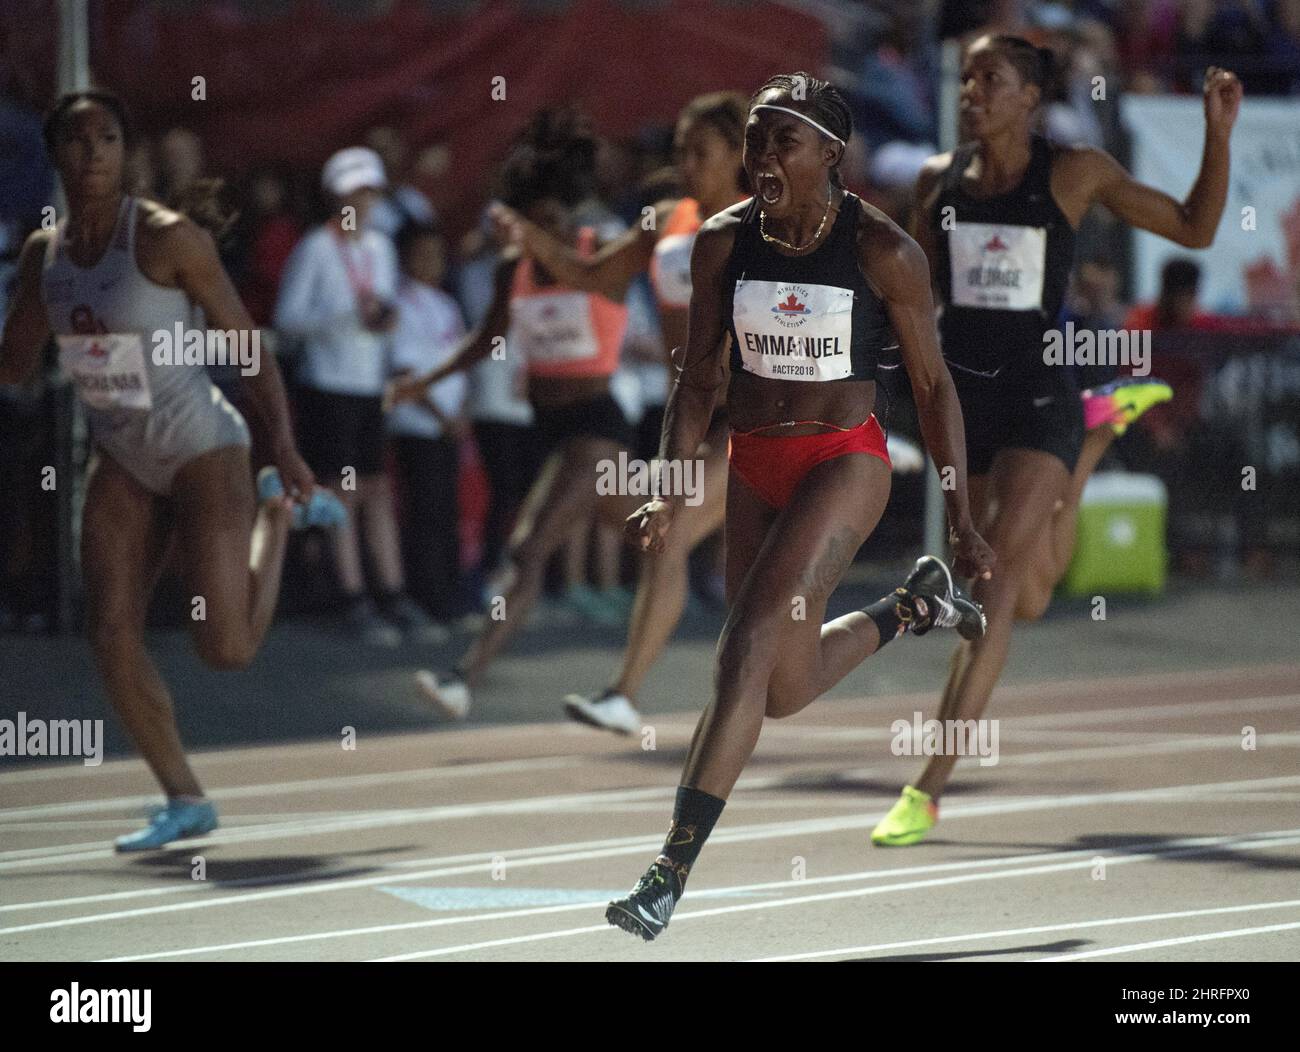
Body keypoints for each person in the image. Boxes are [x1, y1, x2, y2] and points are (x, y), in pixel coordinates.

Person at [605, 72, 994, 941]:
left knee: (741, 649)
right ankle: (914, 607)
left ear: (830, 153)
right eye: (754, 139)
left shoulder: (883, 250)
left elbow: (932, 387)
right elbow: (699, 377)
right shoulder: (720, 243)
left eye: (783, 140)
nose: (763, 156)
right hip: (752, 463)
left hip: (843, 462)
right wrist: (669, 484)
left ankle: (668, 872)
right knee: (779, 688)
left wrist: (961, 512)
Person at [870, 36, 1241, 846]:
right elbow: (911, 294)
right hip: (966, 406)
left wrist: (1217, 133)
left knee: (994, 590)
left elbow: (1196, 227)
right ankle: (1099, 445)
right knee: (1029, 595)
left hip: (1041, 397)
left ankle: (927, 786)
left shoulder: (1075, 172)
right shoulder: (937, 183)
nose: (971, 91)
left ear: (1030, 96)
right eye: (966, 77)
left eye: (989, 79)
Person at [0, 91, 343, 851]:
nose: (93, 153)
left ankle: (276, 518)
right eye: (79, 141)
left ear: (125, 152)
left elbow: (247, 346)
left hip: (201, 449)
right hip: (120, 454)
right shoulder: (43, 255)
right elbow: (15, 366)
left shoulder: (165, 239)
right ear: (54, 154)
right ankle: (184, 796)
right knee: (108, 630)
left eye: (109, 139)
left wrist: (282, 447)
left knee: (226, 649)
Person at [390, 108, 724, 720]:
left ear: (569, 213)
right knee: (662, 539)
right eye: (533, 220)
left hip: (596, 429)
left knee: (529, 546)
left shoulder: (599, 256)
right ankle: (667, 656)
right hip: (540, 429)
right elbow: (484, 342)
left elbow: (632, 272)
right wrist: (424, 383)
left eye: (552, 219)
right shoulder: (512, 273)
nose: (544, 231)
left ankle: (464, 676)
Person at [490, 92, 749, 733]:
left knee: (680, 536)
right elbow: (591, 277)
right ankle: (625, 697)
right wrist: (530, 240)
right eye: (680, 151)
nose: (686, 164)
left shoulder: (766, 224)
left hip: (760, 415)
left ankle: (626, 692)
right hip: (690, 418)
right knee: (666, 537)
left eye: (701, 152)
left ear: (740, 155)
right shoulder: (666, 222)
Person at [274, 146, 443, 646]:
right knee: (341, 489)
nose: (362, 203)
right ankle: (352, 596)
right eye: (353, 193)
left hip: (368, 386)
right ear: (335, 197)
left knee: (375, 489)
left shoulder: (381, 248)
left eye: (368, 193)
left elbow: (385, 309)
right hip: (328, 385)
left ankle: (390, 592)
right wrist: (344, 319)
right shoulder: (316, 248)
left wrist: (385, 323)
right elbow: (287, 321)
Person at [387, 221, 471, 624]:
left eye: (438, 255)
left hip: (448, 426)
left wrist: (460, 415)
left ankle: (449, 598)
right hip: (417, 426)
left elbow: (460, 364)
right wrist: (441, 416)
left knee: (447, 513)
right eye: (422, 255)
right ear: (404, 258)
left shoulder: (447, 304)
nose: (432, 263)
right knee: (424, 514)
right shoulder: (399, 304)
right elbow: (404, 371)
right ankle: (424, 598)